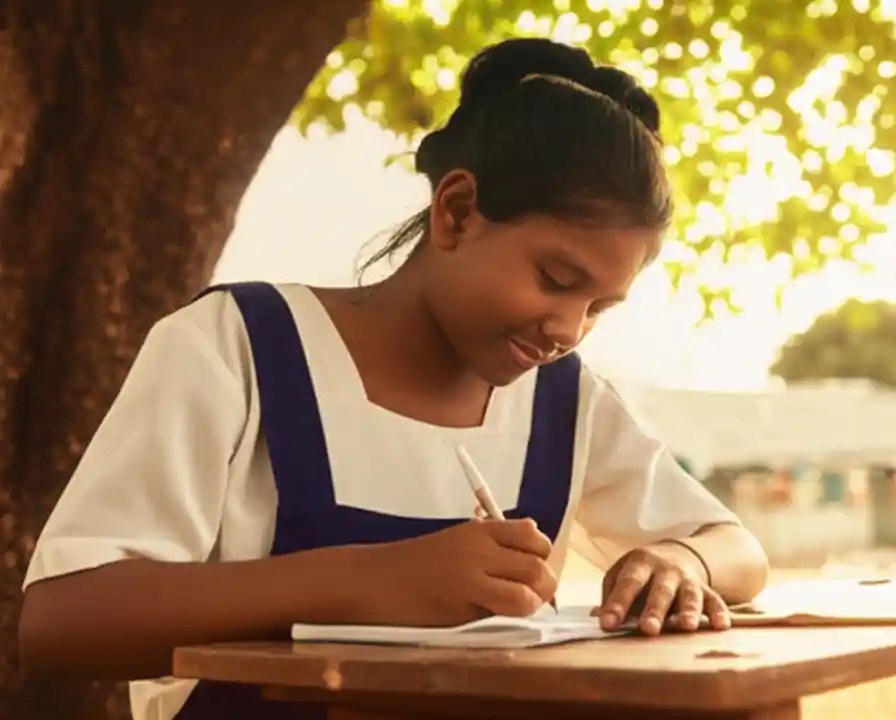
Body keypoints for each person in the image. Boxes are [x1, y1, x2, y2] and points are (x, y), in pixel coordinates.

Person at [18, 37, 770, 720]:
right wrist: (372, 581)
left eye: (598, 307)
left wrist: (680, 561)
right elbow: (64, 622)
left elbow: (736, 548)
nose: (568, 330)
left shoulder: (563, 404)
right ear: (457, 211)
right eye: (554, 278)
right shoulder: (237, 348)